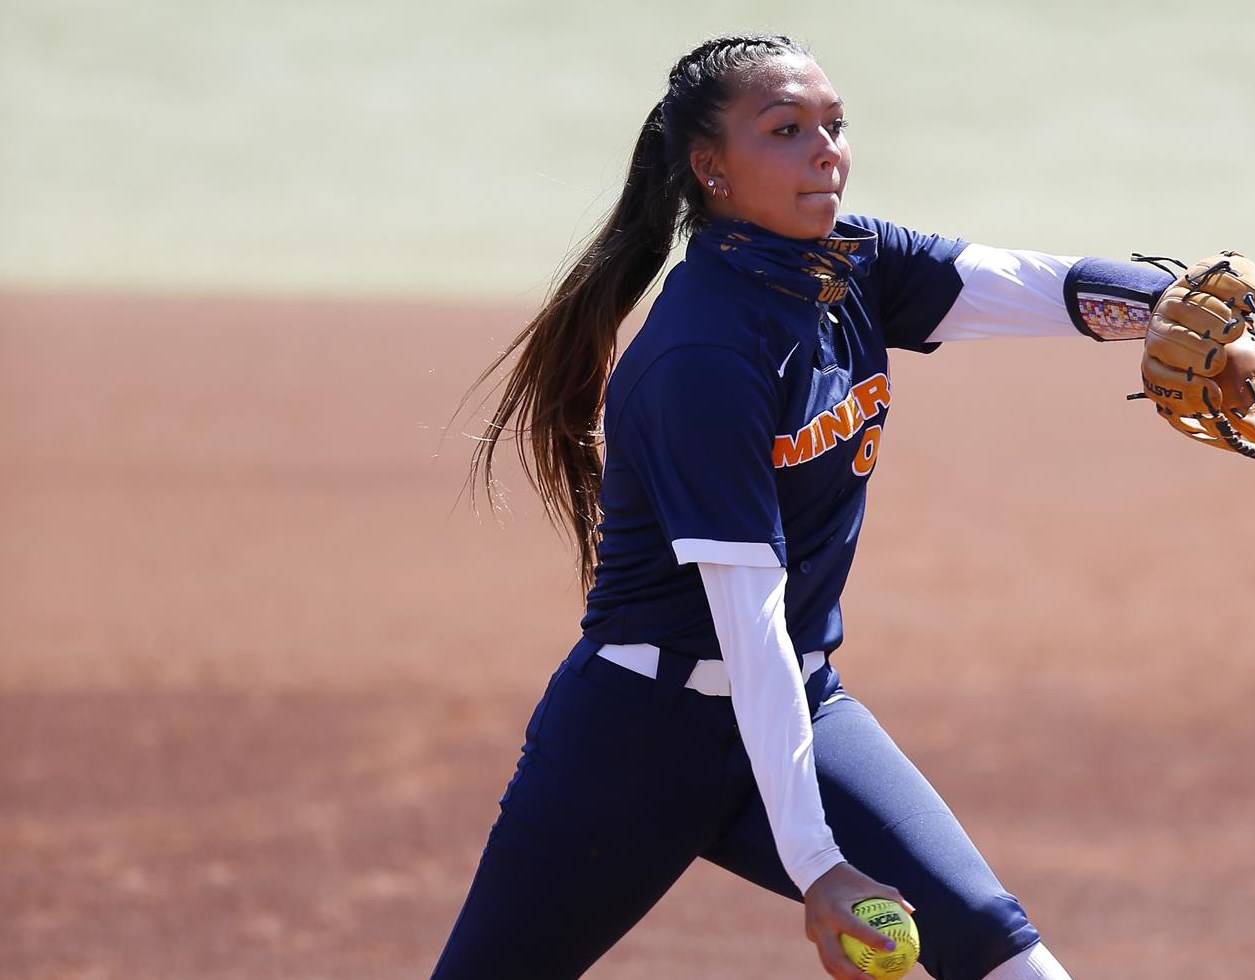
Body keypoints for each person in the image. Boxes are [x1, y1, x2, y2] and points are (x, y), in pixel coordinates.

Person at [433, 33, 1180, 980]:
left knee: (1005, 956)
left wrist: (1170, 305)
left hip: (804, 711)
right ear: (710, 168)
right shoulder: (701, 355)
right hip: (634, 745)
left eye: (833, 125)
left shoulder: (850, 265)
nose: (825, 149)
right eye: (786, 130)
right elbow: (745, 624)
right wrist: (819, 864)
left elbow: (1023, 284)